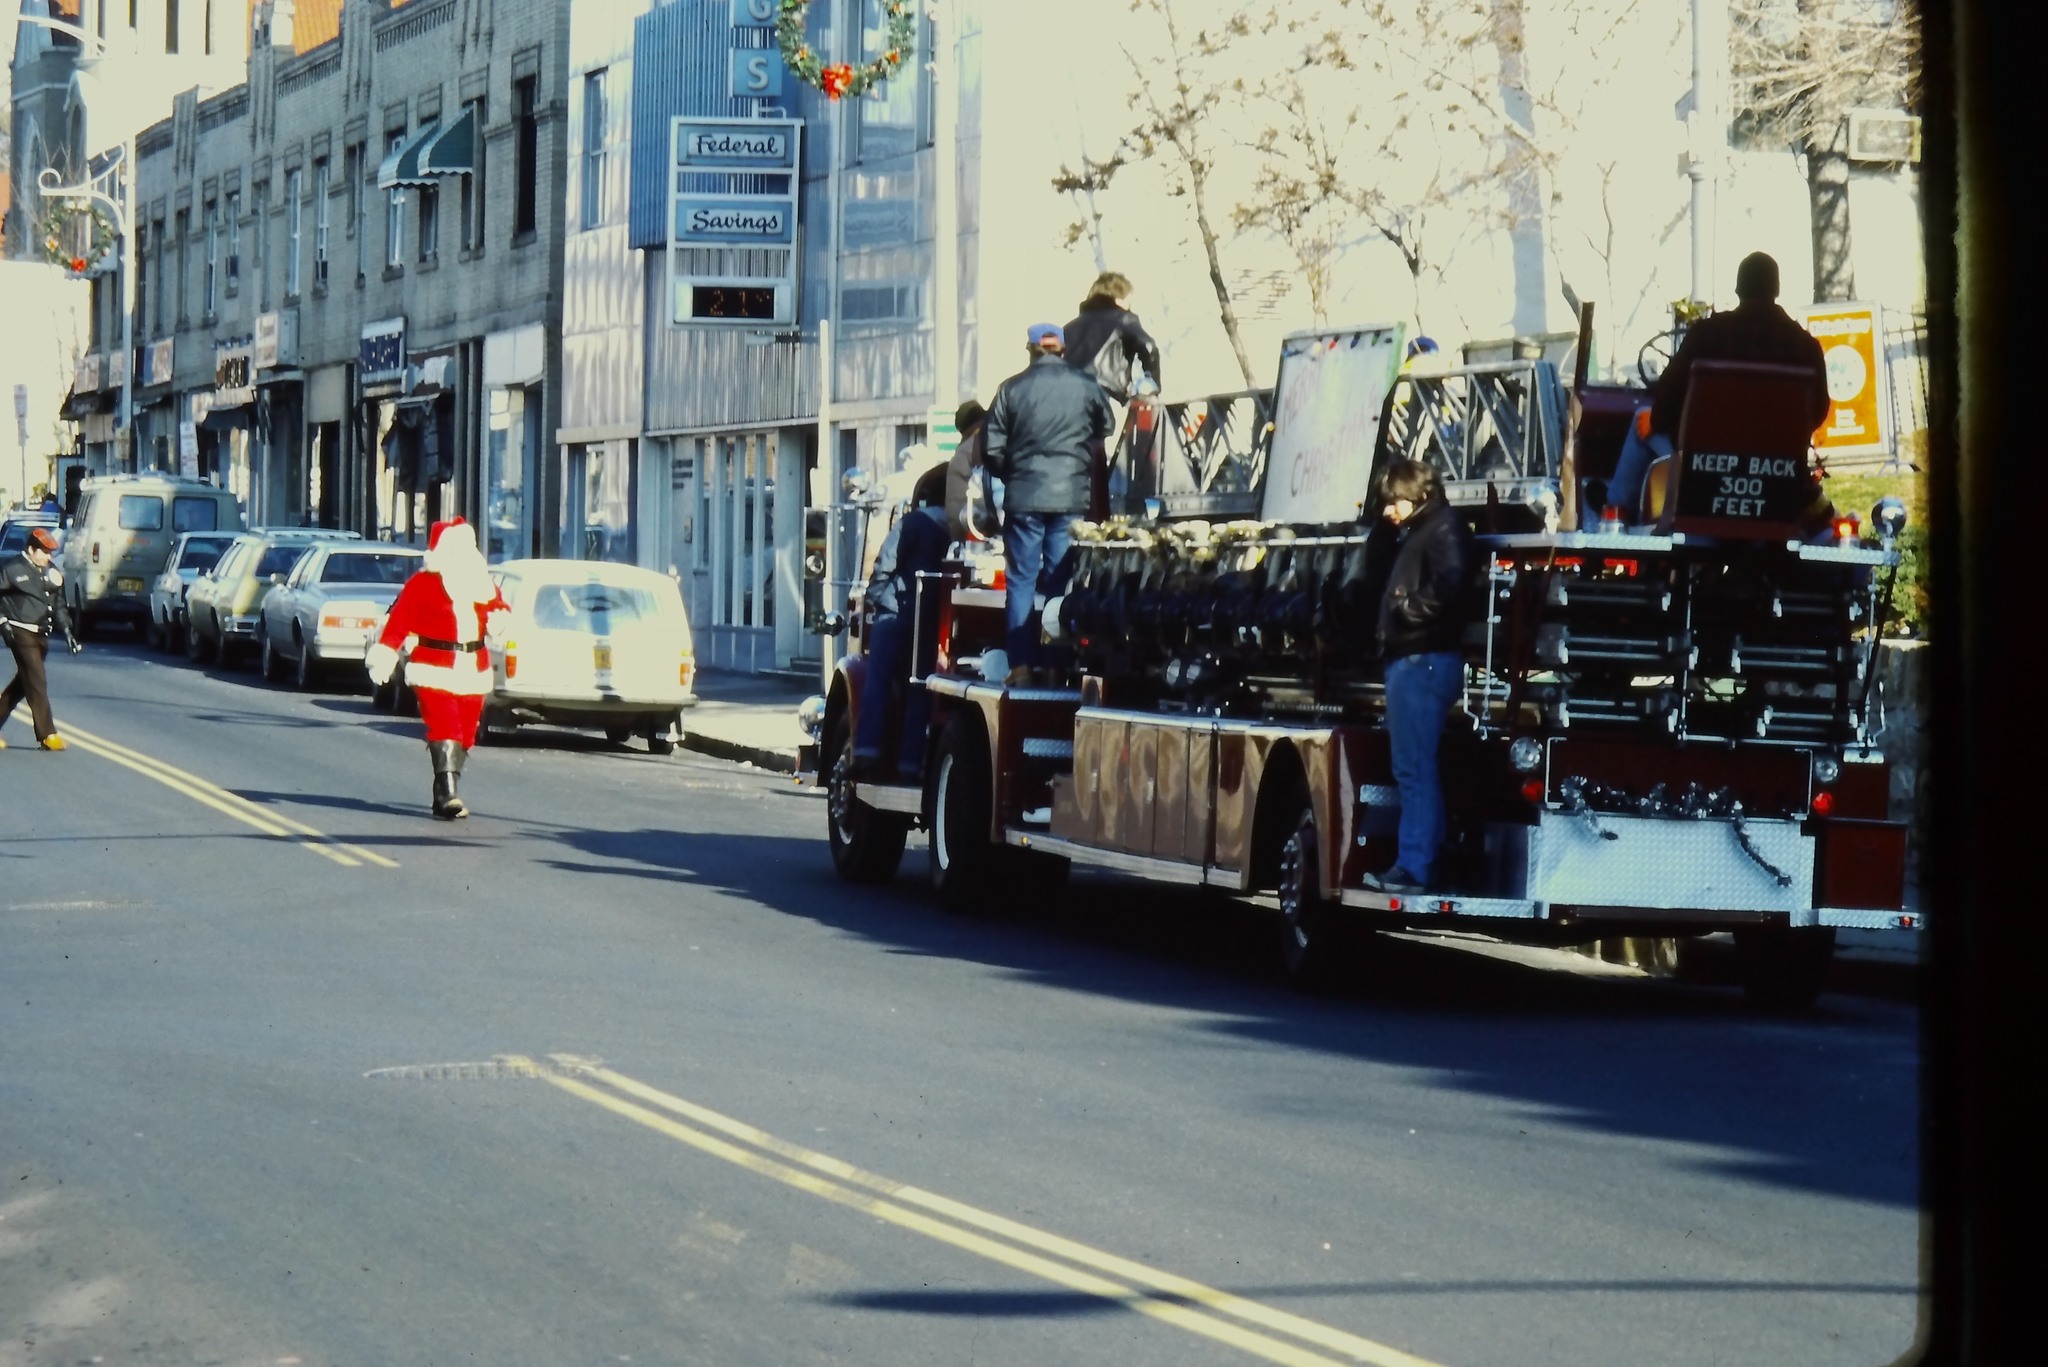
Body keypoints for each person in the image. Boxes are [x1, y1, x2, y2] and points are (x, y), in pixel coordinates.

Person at [1610, 252, 1831, 522]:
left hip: (1703, 472)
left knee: (1640, 419)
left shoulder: (1706, 335)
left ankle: (1615, 516)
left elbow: (1667, 400)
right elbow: (1818, 411)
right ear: (1776, 289)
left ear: (1738, 288)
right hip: (1777, 477)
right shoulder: (1806, 347)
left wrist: (1658, 421)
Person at [1361, 459, 1475, 895]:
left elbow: (1452, 580)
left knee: (1413, 768)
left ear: (1419, 494)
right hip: (1420, 659)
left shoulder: (1442, 528)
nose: (1389, 510)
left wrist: (1406, 612)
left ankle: (1415, 866)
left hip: (1421, 660)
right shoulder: (1430, 527)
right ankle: (1418, 861)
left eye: (1395, 500)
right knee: (1415, 766)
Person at [983, 323, 1115, 680]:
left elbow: (991, 449)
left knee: (1021, 582)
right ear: (1063, 350)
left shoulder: (1010, 389)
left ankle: (1022, 666)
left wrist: (1015, 472)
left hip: (1024, 498)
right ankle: (1058, 666)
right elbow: (1107, 425)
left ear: (1030, 350)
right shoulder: (1086, 386)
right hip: (1071, 497)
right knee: (1061, 581)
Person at [365, 519, 510, 819]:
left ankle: (444, 787)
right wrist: (386, 653)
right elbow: (399, 621)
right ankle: (449, 794)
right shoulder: (422, 584)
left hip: (474, 667)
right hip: (433, 666)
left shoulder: (481, 582)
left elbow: (499, 609)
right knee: (446, 727)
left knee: (467, 733)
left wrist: (500, 619)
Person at [853, 463, 952, 779]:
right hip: (928, 619)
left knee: (877, 683)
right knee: (918, 688)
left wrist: (875, 599)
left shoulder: (912, 523)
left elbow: (886, 562)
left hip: (894, 612)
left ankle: (868, 753)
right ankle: (910, 763)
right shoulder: (955, 531)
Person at [0, 526, 79, 752]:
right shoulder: (12, 569)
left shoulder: (50, 571)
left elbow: (59, 605)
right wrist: (2, 621)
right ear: (31, 549)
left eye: (50, 553)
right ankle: (47, 734)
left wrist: (67, 631)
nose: (48, 557)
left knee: (23, 684)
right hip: (19, 631)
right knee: (37, 679)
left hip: (41, 633)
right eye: (44, 552)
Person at [1062, 271, 1163, 405]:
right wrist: (1153, 386)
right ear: (1118, 298)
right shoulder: (1123, 319)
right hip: (1107, 396)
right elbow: (1148, 346)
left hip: (1067, 395)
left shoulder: (1069, 327)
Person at [942, 400, 994, 543]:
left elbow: (956, 506)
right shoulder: (1008, 438)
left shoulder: (965, 452)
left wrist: (958, 541)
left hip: (978, 533)